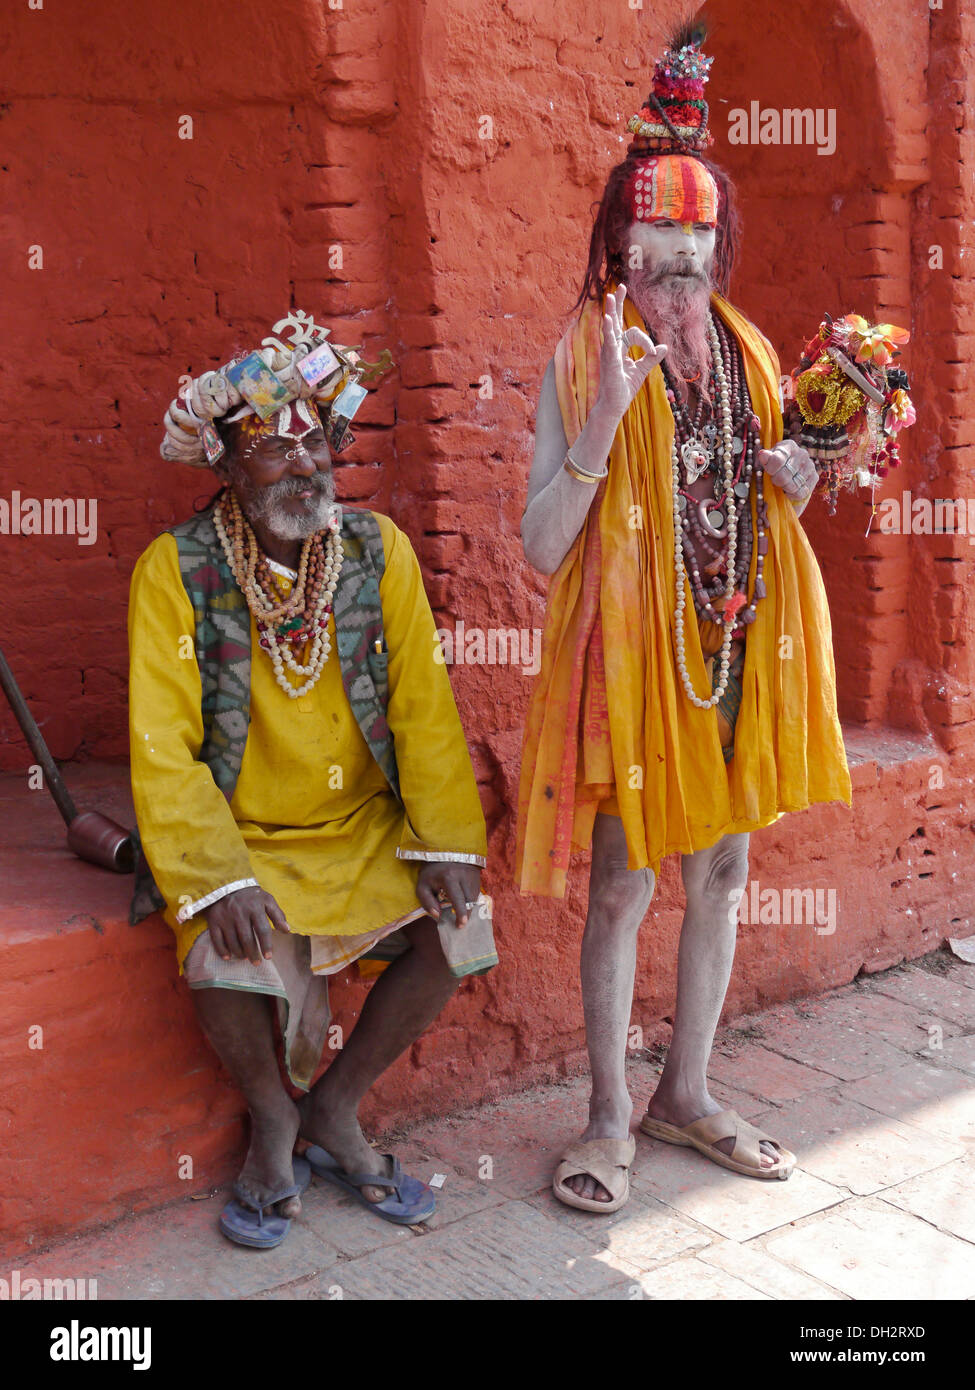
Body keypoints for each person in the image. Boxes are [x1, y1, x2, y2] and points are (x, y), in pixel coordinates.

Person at [516, 28, 851, 1213]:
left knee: (724, 869)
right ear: (619, 244)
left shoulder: (754, 354)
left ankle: (688, 1094)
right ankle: (608, 1115)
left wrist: (798, 479)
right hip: (630, 666)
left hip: (735, 649)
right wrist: (606, 423)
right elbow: (545, 542)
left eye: (697, 241)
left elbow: (772, 506)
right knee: (622, 885)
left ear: (718, 242)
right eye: (657, 246)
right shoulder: (581, 355)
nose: (678, 265)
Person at [128, 310, 493, 1246]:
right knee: (218, 944)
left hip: (361, 825)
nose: (302, 467)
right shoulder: (176, 570)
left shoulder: (377, 553)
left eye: (315, 445)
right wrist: (220, 875)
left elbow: (424, 711)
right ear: (225, 465)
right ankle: (274, 1121)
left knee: (458, 929)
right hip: (244, 837)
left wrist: (448, 840)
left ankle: (334, 1107)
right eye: (271, 450)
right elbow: (163, 748)